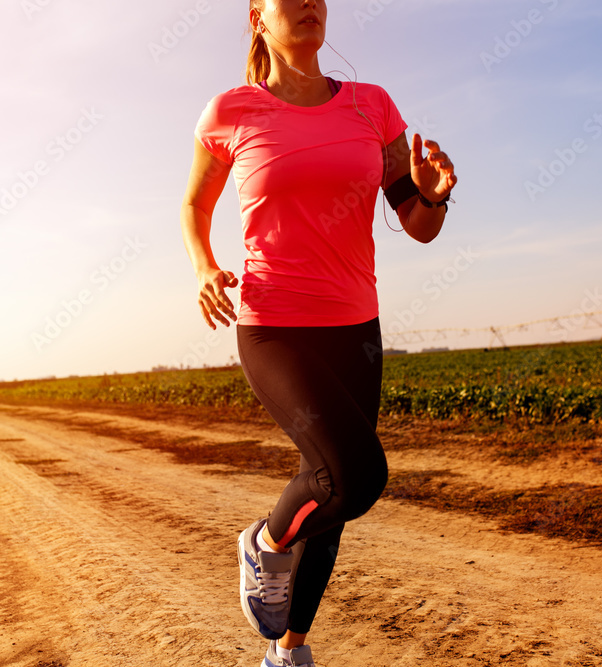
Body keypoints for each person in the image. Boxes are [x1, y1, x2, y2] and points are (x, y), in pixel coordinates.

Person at [180, 1, 457, 665]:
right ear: (257, 16)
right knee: (354, 474)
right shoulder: (230, 112)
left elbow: (416, 223)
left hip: (355, 327)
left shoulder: (372, 106)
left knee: (330, 488)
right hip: (275, 326)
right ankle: (267, 543)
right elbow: (194, 203)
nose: (309, 3)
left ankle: (288, 650)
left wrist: (433, 194)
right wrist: (203, 267)